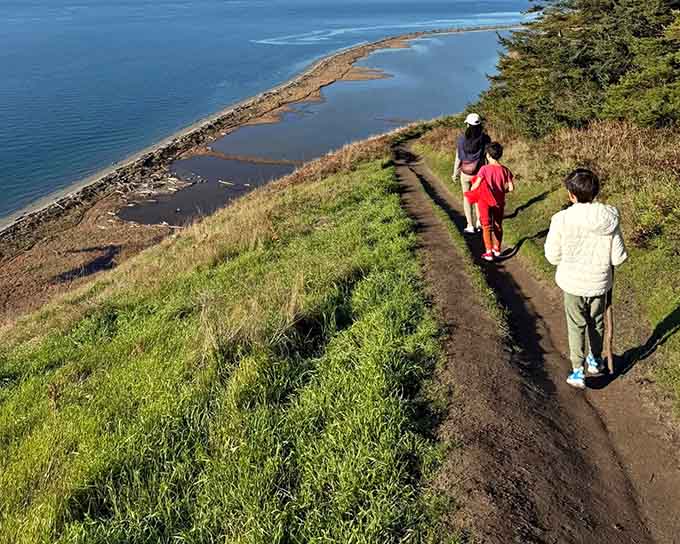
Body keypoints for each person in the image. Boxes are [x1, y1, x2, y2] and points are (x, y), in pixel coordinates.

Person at [544, 169, 628, 389]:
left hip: (572, 283)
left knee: (576, 325)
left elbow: (552, 256)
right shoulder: (610, 218)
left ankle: (578, 370)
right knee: (597, 322)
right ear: (595, 192)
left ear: (571, 195)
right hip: (600, 282)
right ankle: (596, 359)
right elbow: (618, 257)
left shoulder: (561, 219)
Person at [465, 142, 515, 262]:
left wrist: (472, 190)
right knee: (498, 225)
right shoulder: (505, 170)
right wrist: (501, 191)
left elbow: (476, 185)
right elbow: (511, 188)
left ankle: (488, 252)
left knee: (486, 226)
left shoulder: (484, 169)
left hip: (485, 202)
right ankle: (497, 250)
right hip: (499, 202)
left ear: (488, 155)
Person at [452, 113, 491, 234]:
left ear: (467, 124)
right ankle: (479, 222)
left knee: (467, 198)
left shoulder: (462, 139)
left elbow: (458, 157)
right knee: (479, 198)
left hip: (466, 173)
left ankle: (470, 225)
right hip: (479, 173)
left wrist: (455, 173)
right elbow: (489, 156)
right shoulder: (485, 138)